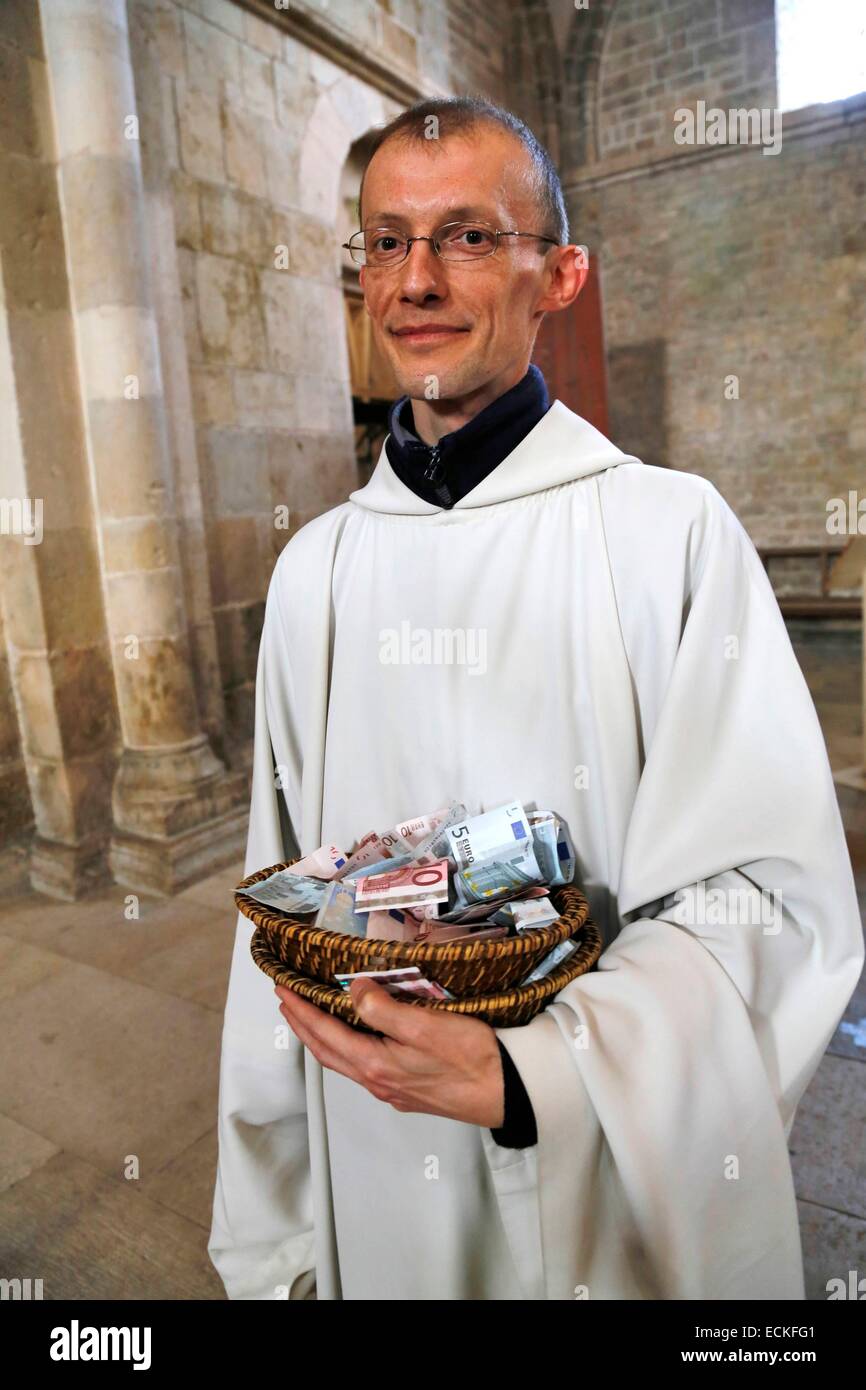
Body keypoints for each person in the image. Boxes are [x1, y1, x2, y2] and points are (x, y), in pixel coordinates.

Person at [207, 96, 863, 1300]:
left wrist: (538, 1075)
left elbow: (767, 900)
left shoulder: (667, 535)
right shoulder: (319, 571)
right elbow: (282, 892)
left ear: (558, 275)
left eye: (464, 236)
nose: (414, 279)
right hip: (372, 1138)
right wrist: (277, 1232)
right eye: (385, 241)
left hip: (592, 1168)